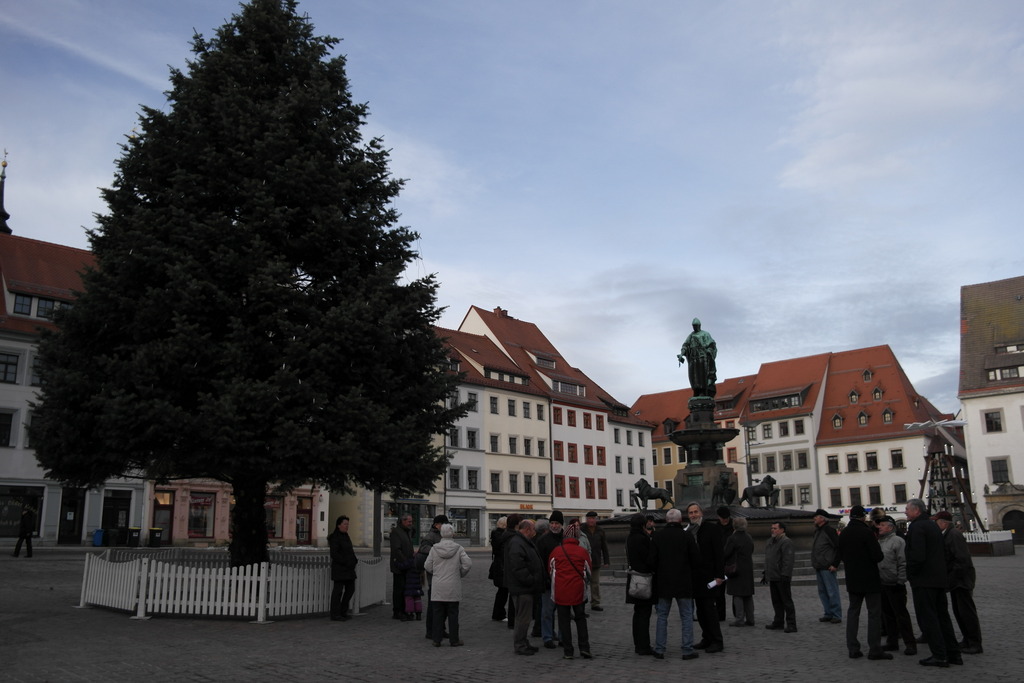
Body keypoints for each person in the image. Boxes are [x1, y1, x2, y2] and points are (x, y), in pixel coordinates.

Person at [905, 499, 962, 667]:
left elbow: (917, 555)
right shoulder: (933, 526)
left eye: (907, 509)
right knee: (943, 617)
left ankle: (939, 654)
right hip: (938, 579)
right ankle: (953, 653)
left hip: (924, 580)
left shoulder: (917, 527)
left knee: (929, 618)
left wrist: (911, 573)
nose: (905, 512)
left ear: (916, 510)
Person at [837, 505, 890, 660]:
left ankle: (853, 648)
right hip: (870, 579)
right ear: (862, 517)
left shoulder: (844, 533)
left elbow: (840, 554)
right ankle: (875, 649)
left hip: (853, 578)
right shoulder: (866, 532)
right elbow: (877, 556)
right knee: (874, 613)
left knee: (853, 612)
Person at [650, 508, 701, 661]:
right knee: (686, 616)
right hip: (683, 581)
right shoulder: (687, 536)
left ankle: (659, 649)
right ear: (680, 520)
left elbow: (651, 560)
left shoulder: (658, 536)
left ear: (667, 520)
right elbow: (696, 559)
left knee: (662, 616)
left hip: (663, 582)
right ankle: (687, 649)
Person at [933, 511, 982, 654]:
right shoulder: (948, 534)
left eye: (936, 522)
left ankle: (974, 642)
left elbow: (962, 559)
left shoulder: (953, 535)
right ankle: (967, 639)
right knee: (959, 612)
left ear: (943, 523)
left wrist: (953, 576)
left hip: (961, 579)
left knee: (966, 612)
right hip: (956, 580)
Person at [549, 521, 593, 660]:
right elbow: (589, 571)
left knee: (564, 620)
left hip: (561, 590)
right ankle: (584, 647)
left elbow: (550, 569)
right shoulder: (582, 551)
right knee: (580, 619)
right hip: (578, 590)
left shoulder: (556, 551)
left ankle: (568, 651)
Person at [424, 523, 472, 647]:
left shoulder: (434, 548)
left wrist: (436, 573)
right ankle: (454, 639)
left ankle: (436, 639)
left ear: (441, 534)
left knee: (437, 613)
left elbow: (427, 565)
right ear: (452, 534)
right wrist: (460, 573)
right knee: (453, 614)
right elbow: (467, 564)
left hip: (438, 585)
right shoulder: (458, 548)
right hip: (453, 585)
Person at [686, 502, 725, 652]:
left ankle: (717, 640)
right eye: (691, 512)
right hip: (695, 577)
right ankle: (706, 638)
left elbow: (719, 554)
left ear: (701, 513)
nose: (693, 515)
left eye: (696, 512)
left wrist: (719, 575)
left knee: (709, 610)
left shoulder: (712, 529)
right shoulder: (688, 531)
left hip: (709, 576)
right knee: (700, 611)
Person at [876, 515, 916, 655]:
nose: (879, 527)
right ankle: (892, 642)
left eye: (882, 525)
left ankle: (910, 643)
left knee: (901, 615)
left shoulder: (898, 541)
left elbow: (903, 562)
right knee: (888, 615)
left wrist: (901, 580)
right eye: (879, 525)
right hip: (883, 583)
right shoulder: (879, 542)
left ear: (890, 527)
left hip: (895, 583)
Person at [505, 518, 544, 655]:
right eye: (533, 529)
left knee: (524, 618)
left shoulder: (523, 541)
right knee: (523, 618)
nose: (534, 532)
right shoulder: (517, 543)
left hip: (525, 587)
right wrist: (531, 580)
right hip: (522, 588)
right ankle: (520, 644)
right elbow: (518, 567)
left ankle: (523, 642)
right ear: (527, 529)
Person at [625, 513, 657, 655]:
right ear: (643, 525)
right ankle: (644, 645)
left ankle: (638, 643)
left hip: (634, 578)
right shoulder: (642, 538)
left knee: (638, 613)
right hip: (644, 579)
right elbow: (648, 559)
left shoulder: (630, 537)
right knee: (644, 613)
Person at [417, 514, 449, 639]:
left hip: (443, 575)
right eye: (444, 524)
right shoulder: (430, 536)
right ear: (436, 525)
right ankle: (430, 631)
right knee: (433, 606)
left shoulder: (443, 535)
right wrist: (438, 550)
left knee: (443, 606)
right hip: (434, 576)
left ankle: (441, 628)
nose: (446, 526)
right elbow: (423, 548)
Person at [536, 511, 565, 648]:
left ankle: (563, 637)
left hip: (564, 581)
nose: (554, 526)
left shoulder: (566, 538)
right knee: (547, 611)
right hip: (548, 581)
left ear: (561, 524)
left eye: (556, 523)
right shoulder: (543, 540)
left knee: (563, 612)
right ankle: (547, 637)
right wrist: (545, 578)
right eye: (552, 523)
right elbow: (539, 562)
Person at [811, 508, 843, 624]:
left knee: (831, 591)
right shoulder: (818, 531)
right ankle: (828, 613)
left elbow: (838, 547)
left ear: (822, 519)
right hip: (819, 565)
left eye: (816, 516)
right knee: (823, 591)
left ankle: (836, 614)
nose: (814, 518)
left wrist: (835, 564)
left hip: (827, 565)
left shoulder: (829, 530)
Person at [764, 521, 796, 633]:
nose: (772, 530)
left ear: (782, 530)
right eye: (772, 528)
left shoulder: (786, 542)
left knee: (786, 601)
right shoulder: (770, 541)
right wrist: (767, 572)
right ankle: (778, 622)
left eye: (775, 528)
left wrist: (785, 574)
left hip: (781, 576)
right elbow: (769, 558)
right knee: (776, 601)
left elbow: (788, 560)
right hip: (773, 575)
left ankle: (791, 624)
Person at [723, 516, 755, 627]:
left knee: (737, 594)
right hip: (748, 568)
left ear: (734, 526)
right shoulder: (749, 537)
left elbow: (726, 553)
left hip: (736, 569)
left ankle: (739, 618)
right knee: (748, 594)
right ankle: (750, 618)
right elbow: (751, 549)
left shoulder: (732, 538)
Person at [677, 318, 717, 397]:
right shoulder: (691, 335)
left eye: (696, 326)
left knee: (702, 375)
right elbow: (685, 345)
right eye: (693, 326)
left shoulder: (705, 334)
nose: (694, 327)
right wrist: (682, 353)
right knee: (694, 376)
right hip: (693, 359)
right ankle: (696, 391)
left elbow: (712, 344)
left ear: (699, 325)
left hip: (702, 358)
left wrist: (709, 351)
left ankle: (703, 391)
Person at [328, 515, 358, 621]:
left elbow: (350, 550)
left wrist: (354, 560)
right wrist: (345, 561)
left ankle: (343, 611)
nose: (347, 526)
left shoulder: (346, 536)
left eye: (348, 524)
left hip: (349, 568)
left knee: (350, 589)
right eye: (345, 524)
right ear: (339, 525)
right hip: (340, 568)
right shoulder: (335, 537)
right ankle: (335, 613)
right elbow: (334, 554)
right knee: (338, 591)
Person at [580, 511, 609, 611]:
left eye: (593, 518)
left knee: (595, 583)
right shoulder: (581, 529)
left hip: (596, 560)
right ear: (586, 519)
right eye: (589, 518)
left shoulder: (600, 530)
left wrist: (606, 560)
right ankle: (581, 601)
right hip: (583, 561)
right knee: (582, 583)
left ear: (596, 519)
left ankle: (595, 602)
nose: (591, 520)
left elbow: (604, 546)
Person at [389, 513, 414, 621]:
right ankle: (397, 611)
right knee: (399, 590)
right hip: (399, 566)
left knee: (405, 589)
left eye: (411, 521)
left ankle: (404, 610)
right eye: (409, 521)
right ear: (403, 521)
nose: (411, 524)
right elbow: (396, 550)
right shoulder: (396, 532)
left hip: (406, 565)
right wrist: (405, 561)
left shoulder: (407, 531)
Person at [489, 517, 509, 621]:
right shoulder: (502, 536)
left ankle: (498, 613)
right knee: (503, 592)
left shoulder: (496, 534)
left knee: (502, 591)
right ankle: (499, 614)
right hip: (502, 566)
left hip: (499, 566)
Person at [715, 506, 733, 621]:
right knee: (719, 591)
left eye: (726, 517)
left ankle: (738, 614)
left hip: (732, 562)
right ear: (719, 517)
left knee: (735, 590)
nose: (725, 519)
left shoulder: (734, 527)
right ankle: (720, 614)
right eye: (723, 518)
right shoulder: (715, 528)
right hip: (720, 562)